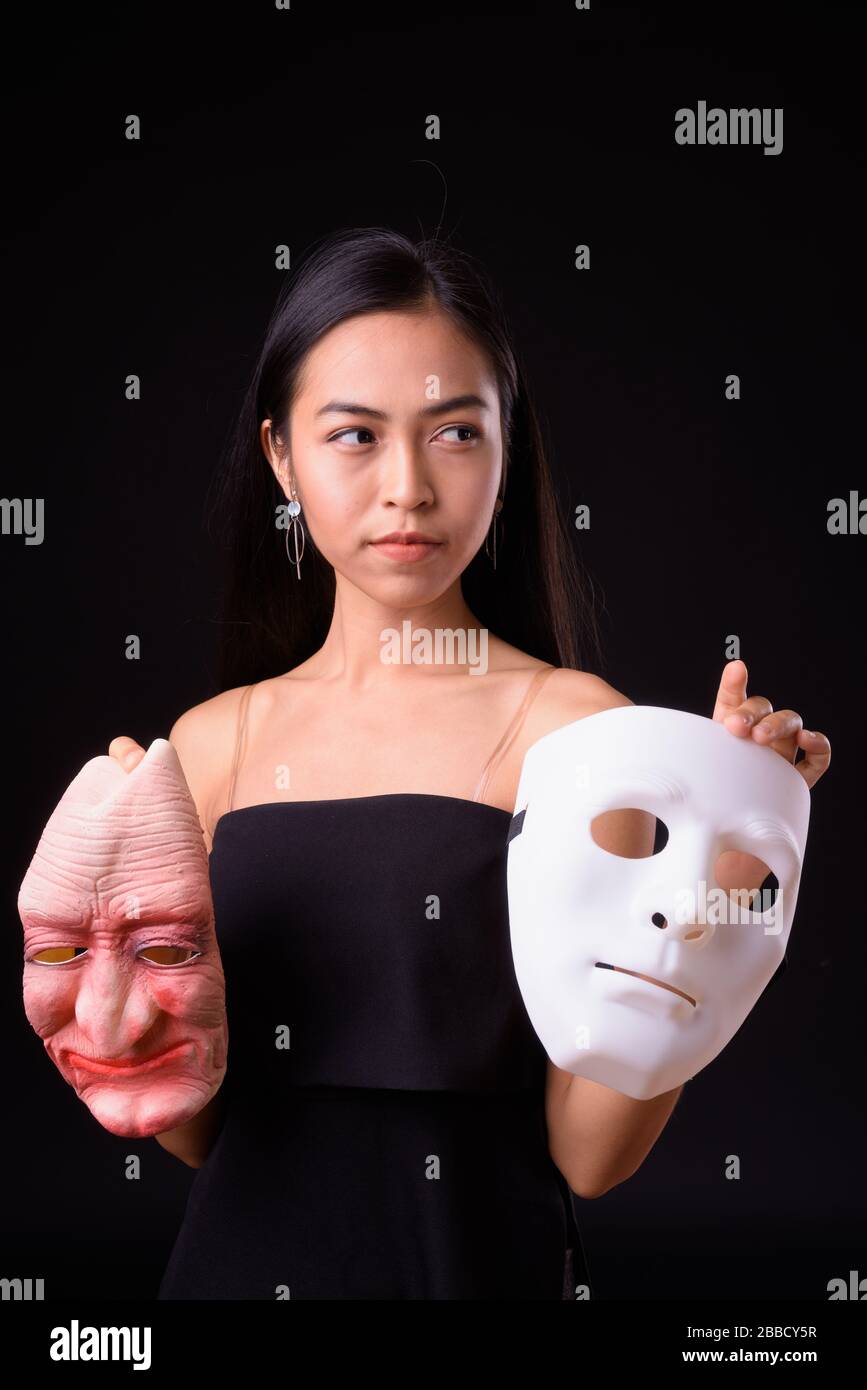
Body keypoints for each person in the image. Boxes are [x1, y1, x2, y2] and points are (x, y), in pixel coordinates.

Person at [107, 227, 830, 1300]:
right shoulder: (211, 744)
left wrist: (721, 862)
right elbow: (196, 1138)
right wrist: (114, 956)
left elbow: (594, 1153)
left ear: (506, 447)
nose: (407, 486)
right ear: (280, 457)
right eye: (354, 435)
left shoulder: (584, 736)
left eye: (454, 433)